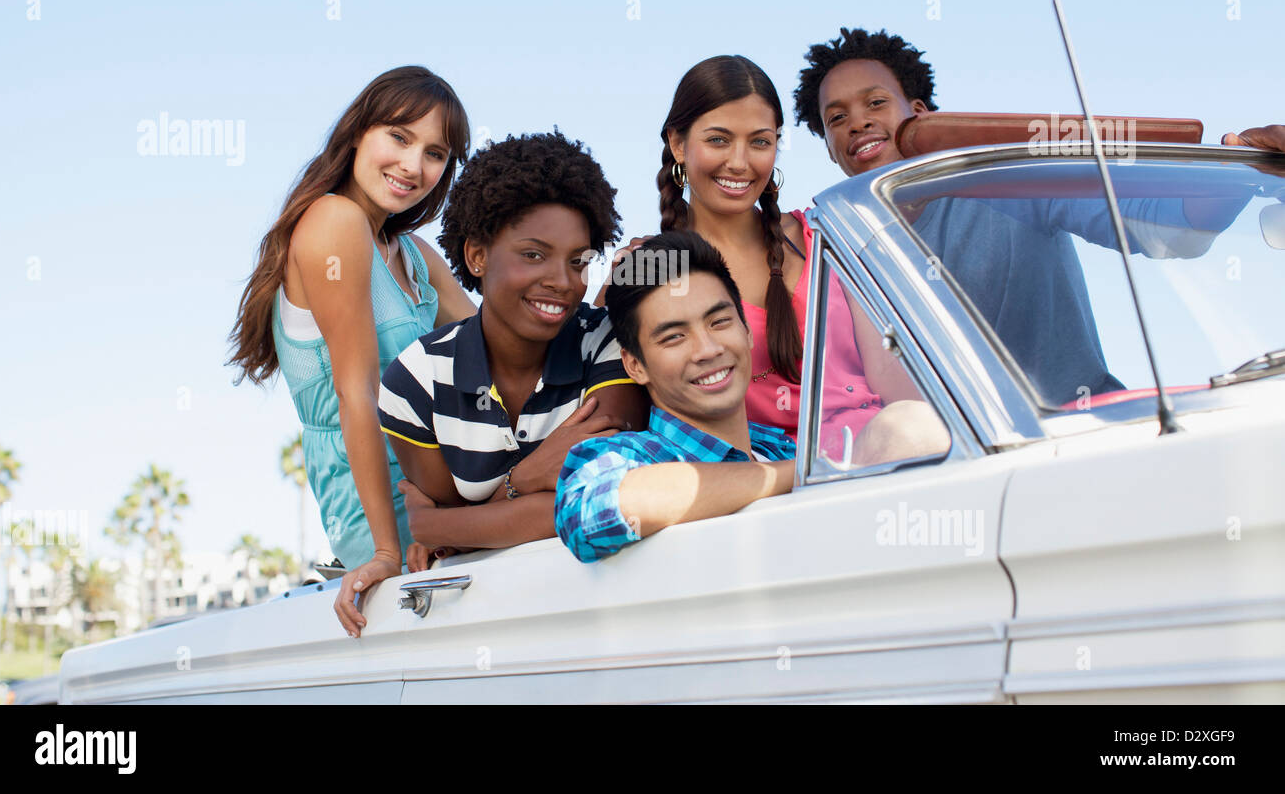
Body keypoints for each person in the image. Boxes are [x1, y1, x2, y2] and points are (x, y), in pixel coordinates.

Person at [792, 27, 1285, 404]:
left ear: (919, 112)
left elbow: (1168, 233)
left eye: (876, 102)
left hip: (1078, 432)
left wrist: (1241, 157)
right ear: (832, 148)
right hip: (937, 467)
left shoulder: (1006, 179)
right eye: (836, 118)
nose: (857, 121)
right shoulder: (836, 244)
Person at [372, 132, 650, 627]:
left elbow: (602, 493)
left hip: (609, 604)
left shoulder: (607, 342)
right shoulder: (414, 383)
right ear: (477, 255)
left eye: (578, 260)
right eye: (534, 255)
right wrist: (505, 499)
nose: (564, 281)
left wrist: (443, 523)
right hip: (486, 624)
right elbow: (455, 547)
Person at [227, 66, 477, 617]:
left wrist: (602, 302)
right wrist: (386, 550)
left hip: (439, 484)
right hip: (379, 506)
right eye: (400, 137)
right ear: (359, 132)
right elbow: (356, 393)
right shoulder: (333, 222)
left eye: (435, 153)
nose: (414, 165)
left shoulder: (412, 252)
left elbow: (499, 350)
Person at [629, 54, 942, 461]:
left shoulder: (830, 232)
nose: (739, 163)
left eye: (759, 142)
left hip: (885, 452)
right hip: (766, 478)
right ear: (678, 144)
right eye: (718, 140)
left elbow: (893, 374)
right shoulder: (652, 269)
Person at [556, 231, 796, 563]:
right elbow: (586, 512)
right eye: (674, 337)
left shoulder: (782, 449)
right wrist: (793, 475)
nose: (708, 350)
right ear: (636, 365)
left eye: (719, 321)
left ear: (746, 329)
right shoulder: (633, 457)